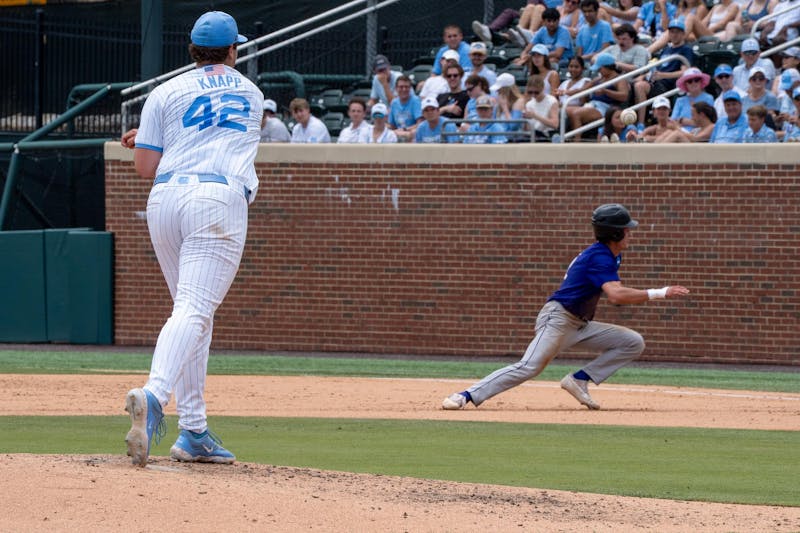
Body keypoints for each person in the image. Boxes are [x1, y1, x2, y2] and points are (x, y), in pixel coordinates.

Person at [122, 11, 264, 467]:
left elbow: (146, 166)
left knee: (192, 314)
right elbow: (217, 126)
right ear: (232, 50)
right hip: (216, 200)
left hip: (164, 200)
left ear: (191, 49)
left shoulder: (163, 91)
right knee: (194, 310)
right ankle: (155, 396)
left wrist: (149, 139)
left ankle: (195, 431)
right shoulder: (252, 92)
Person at [442, 203, 690, 411]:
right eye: (627, 230)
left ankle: (579, 379)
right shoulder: (600, 256)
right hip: (558, 319)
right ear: (615, 234)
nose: (630, 234)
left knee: (632, 341)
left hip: (579, 323)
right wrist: (660, 293)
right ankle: (465, 395)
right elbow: (616, 295)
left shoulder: (610, 254)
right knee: (529, 367)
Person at [632, 17, 692, 128]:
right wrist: (644, 76)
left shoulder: (686, 50)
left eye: (677, 32)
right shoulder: (666, 49)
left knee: (640, 86)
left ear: (683, 34)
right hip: (657, 82)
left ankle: (640, 124)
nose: (674, 35)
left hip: (669, 86)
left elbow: (685, 72)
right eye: (672, 32)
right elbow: (657, 69)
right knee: (634, 83)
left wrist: (663, 75)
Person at [566, 53, 630, 139]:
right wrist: (565, 92)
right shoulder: (599, 78)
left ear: (608, 67)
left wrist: (606, 91)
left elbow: (624, 96)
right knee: (565, 110)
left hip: (606, 108)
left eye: (600, 69)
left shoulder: (619, 79)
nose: (598, 71)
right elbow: (582, 90)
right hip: (592, 105)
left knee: (576, 114)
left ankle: (576, 142)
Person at [524, 74, 560, 140]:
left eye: (536, 92)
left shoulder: (552, 101)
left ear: (542, 89)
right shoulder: (529, 104)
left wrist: (535, 116)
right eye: (530, 92)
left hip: (548, 134)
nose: (533, 95)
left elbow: (555, 124)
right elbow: (528, 128)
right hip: (534, 134)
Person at [492, 72, 528, 139]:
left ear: (506, 90)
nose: (497, 92)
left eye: (499, 90)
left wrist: (505, 108)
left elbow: (513, 126)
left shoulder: (519, 102)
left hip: (512, 140)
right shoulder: (498, 103)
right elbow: (492, 122)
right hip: (497, 139)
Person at [388, 75, 423, 141]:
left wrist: (405, 130)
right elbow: (392, 125)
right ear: (396, 88)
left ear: (410, 88)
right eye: (401, 87)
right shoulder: (394, 103)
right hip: (398, 134)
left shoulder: (416, 101)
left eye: (406, 87)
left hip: (412, 134)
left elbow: (420, 124)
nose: (404, 89)